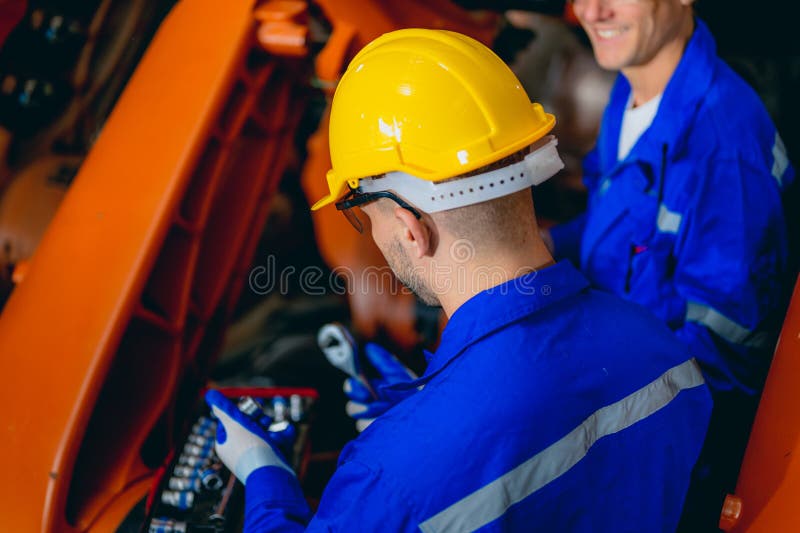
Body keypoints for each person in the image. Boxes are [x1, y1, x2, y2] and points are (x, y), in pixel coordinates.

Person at [205, 28, 711, 532]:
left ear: (410, 229)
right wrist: (433, 406)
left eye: (365, 219)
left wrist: (267, 480)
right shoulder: (658, 343)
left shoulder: (388, 480)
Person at [539, 0, 795, 528]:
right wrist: (528, 251)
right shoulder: (631, 94)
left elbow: (725, 358)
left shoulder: (724, 143)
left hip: (667, 462)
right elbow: (613, 230)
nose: (592, 10)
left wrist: (587, 421)